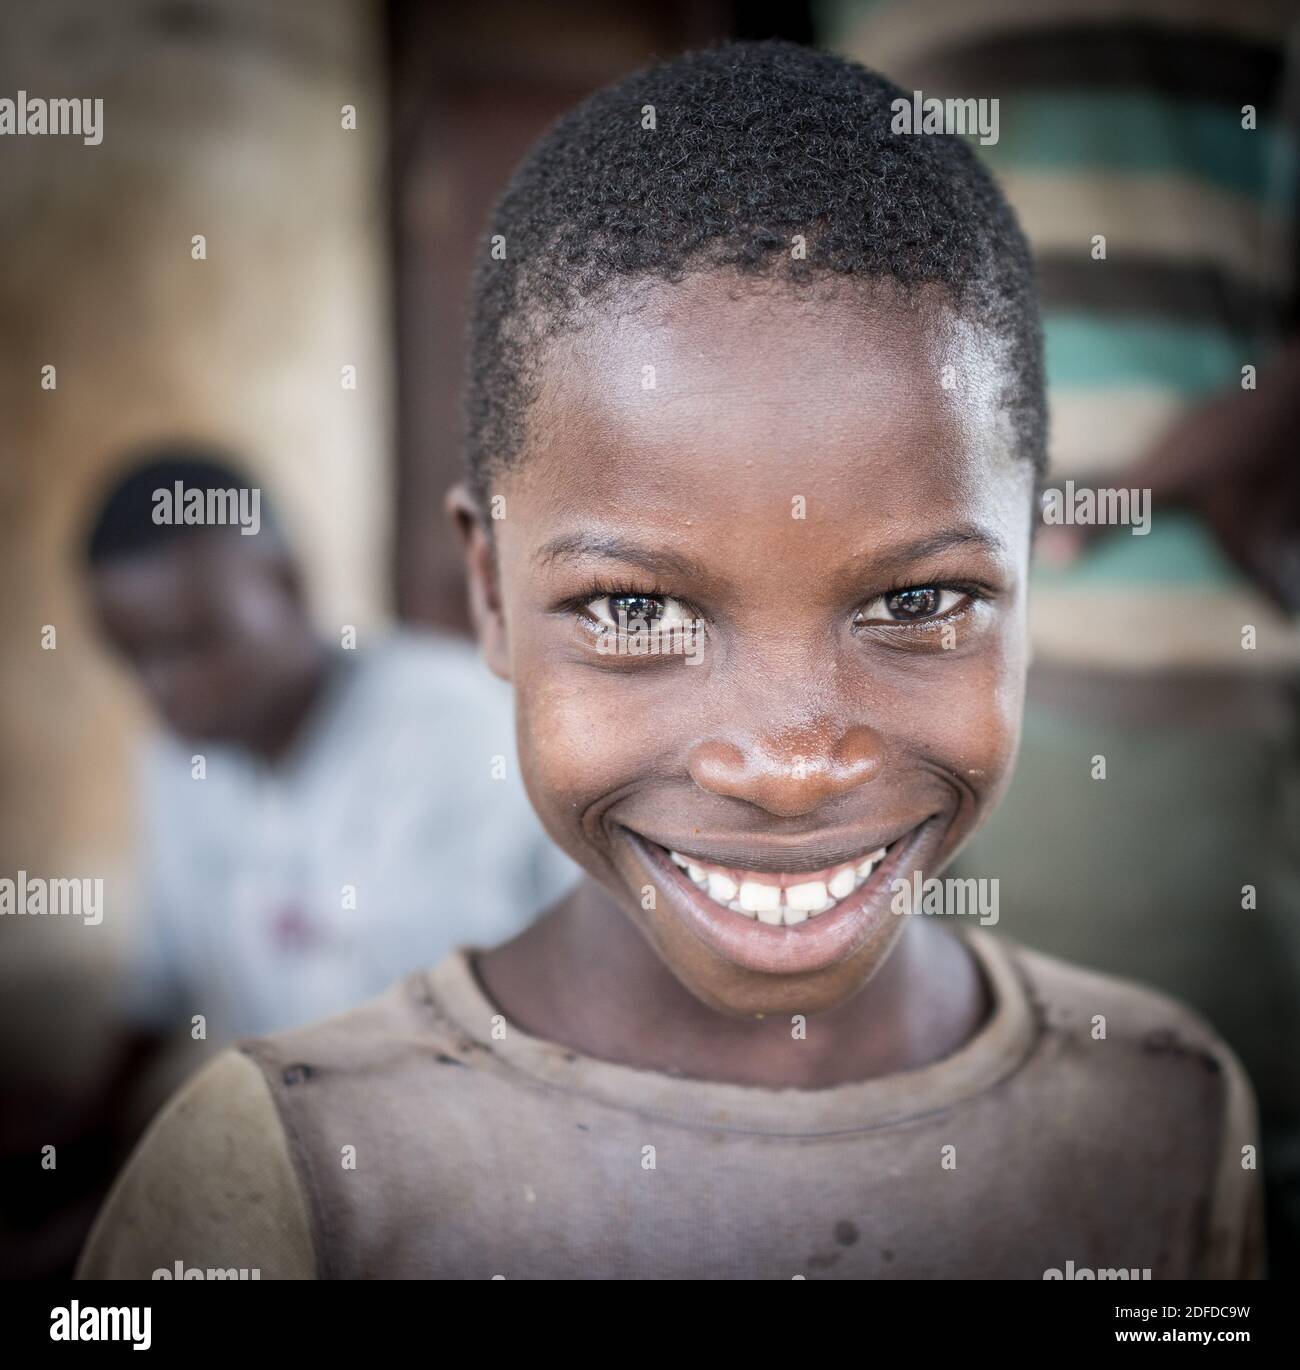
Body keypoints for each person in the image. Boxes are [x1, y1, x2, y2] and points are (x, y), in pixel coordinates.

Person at [77, 43, 1262, 1280]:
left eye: (918, 597)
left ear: (1025, 570)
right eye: (637, 612)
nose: (792, 763)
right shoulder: (284, 1170)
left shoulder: (1166, 1112)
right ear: (489, 590)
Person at [83, 451, 576, 1044]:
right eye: (134, 656)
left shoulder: (457, 731)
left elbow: (482, 1027)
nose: (164, 688)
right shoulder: (179, 759)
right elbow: (161, 988)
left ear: (286, 585)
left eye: (195, 643)